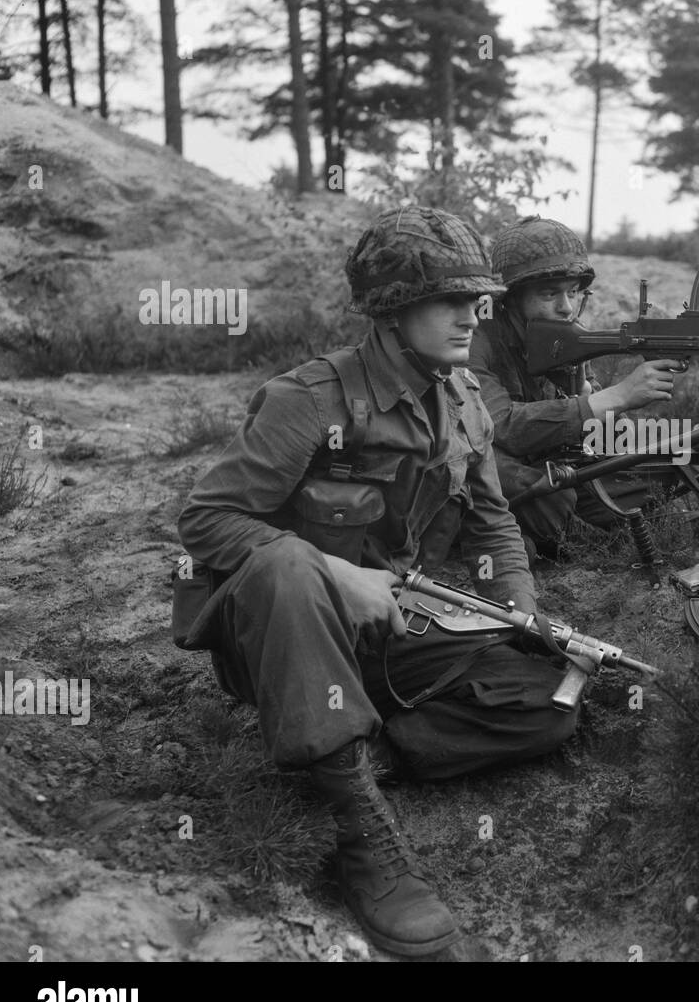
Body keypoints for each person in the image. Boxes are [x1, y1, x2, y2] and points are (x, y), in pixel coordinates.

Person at [176, 206, 578, 958]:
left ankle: (351, 757)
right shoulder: (310, 399)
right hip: (283, 628)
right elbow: (206, 520)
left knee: (550, 703)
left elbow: (494, 525)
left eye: (477, 300)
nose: (472, 315)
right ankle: (362, 832)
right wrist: (338, 574)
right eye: (450, 301)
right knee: (290, 563)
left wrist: (526, 616)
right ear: (393, 312)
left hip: (388, 623)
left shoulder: (461, 401)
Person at [468, 215, 684, 555]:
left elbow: (606, 428)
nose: (565, 307)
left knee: (670, 464)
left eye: (573, 292)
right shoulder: (476, 337)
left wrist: (677, 442)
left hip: (557, 461)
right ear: (510, 297)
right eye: (549, 293)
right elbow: (499, 425)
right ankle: (567, 545)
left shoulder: (564, 334)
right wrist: (614, 398)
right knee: (547, 493)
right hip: (503, 467)